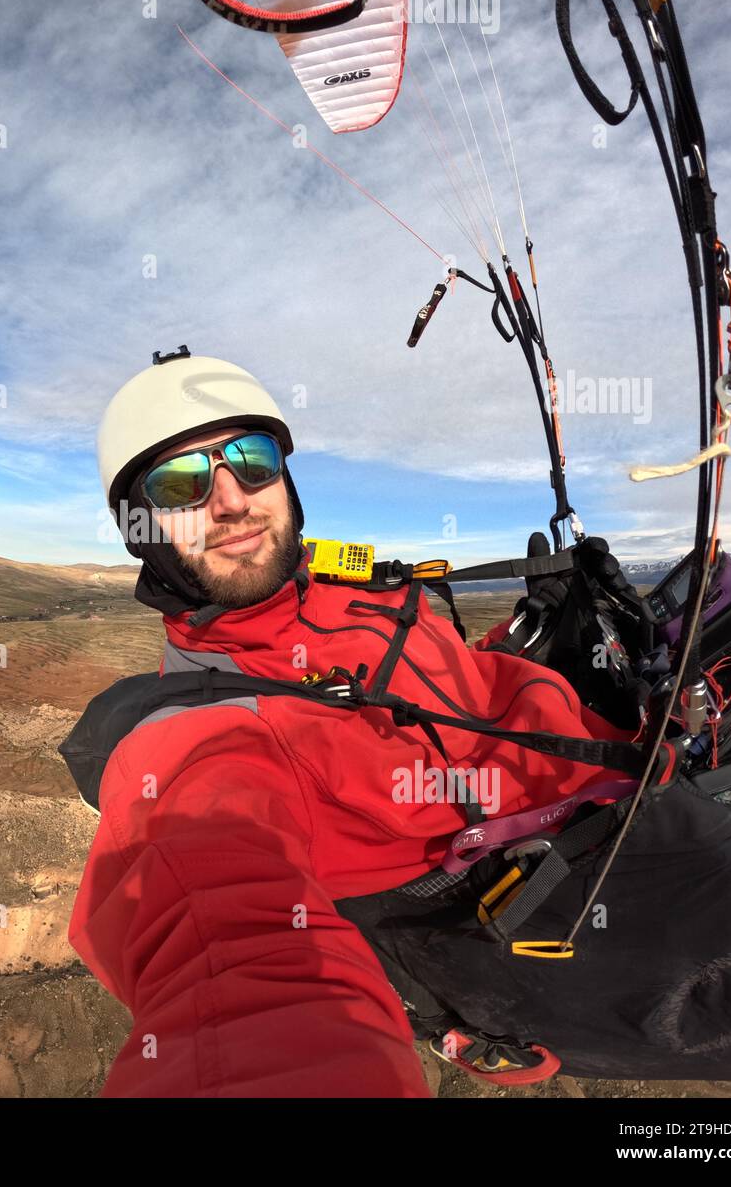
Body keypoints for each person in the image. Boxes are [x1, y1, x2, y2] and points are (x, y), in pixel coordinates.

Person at [65, 350, 640, 1097]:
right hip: (590, 875)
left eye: (252, 459)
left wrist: (543, 636)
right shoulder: (202, 733)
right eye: (182, 485)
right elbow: (232, 965)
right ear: (139, 530)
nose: (232, 499)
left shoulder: (348, 588)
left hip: (637, 738)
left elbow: (449, 693)